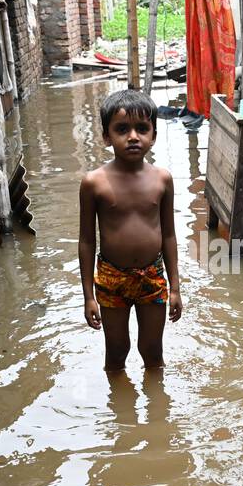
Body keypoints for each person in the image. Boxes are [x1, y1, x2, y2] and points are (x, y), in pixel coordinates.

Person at [79, 89, 182, 371]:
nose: (133, 136)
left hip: (152, 274)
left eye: (142, 128)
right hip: (112, 277)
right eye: (122, 129)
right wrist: (89, 296)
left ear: (154, 135)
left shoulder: (162, 179)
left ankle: (158, 411)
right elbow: (87, 241)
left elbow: (169, 235)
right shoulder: (94, 183)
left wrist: (175, 288)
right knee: (116, 351)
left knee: (152, 351)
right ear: (106, 136)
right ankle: (119, 411)